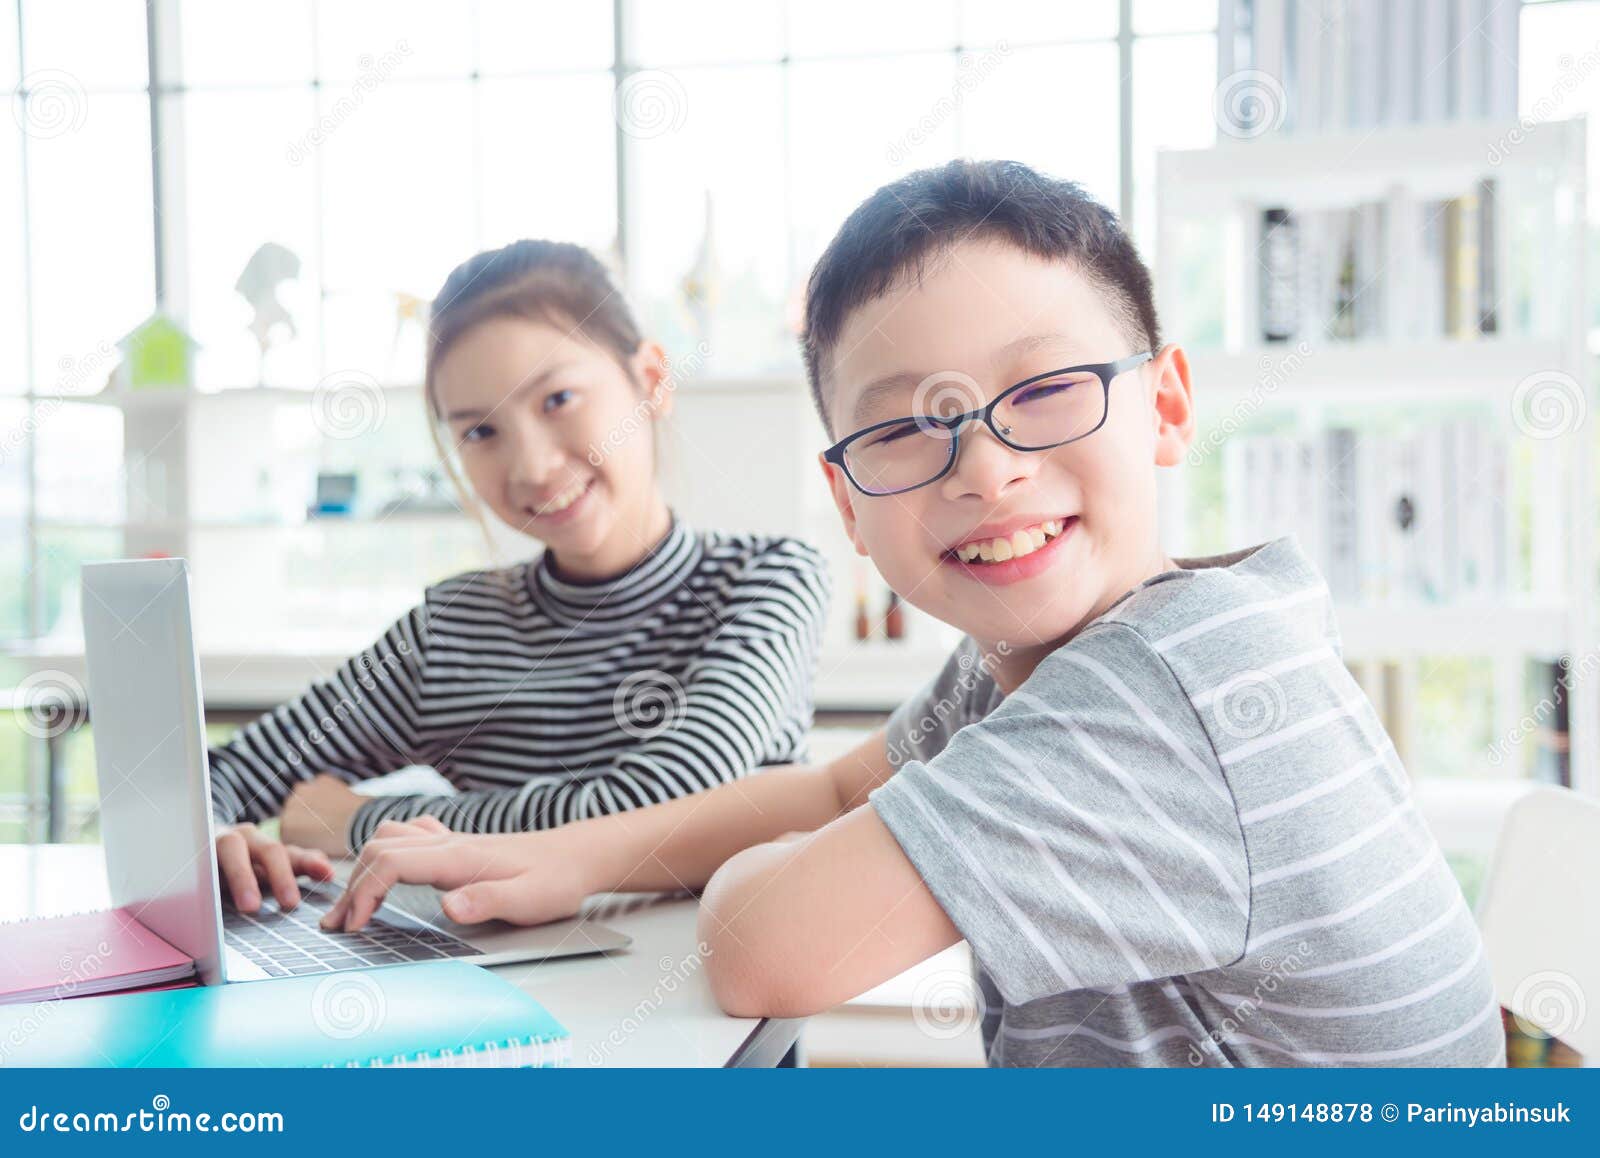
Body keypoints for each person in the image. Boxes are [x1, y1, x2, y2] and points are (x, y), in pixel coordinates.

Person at [322, 163, 1501, 1068]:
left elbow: (760, 951)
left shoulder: (1176, 684)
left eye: (1042, 391)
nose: (983, 469)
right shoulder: (1034, 659)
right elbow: (836, 792)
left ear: (1166, 406)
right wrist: (557, 860)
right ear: (845, 498)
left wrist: (764, 871)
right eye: (898, 429)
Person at [207, 240, 830, 916]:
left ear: (651, 380)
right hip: (499, 1003)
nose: (531, 467)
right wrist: (217, 837)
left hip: (716, 1007)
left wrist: (354, 819)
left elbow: (658, 804)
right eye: (480, 433)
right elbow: (218, 778)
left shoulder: (769, 581)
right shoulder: (451, 633)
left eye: (558, 398)